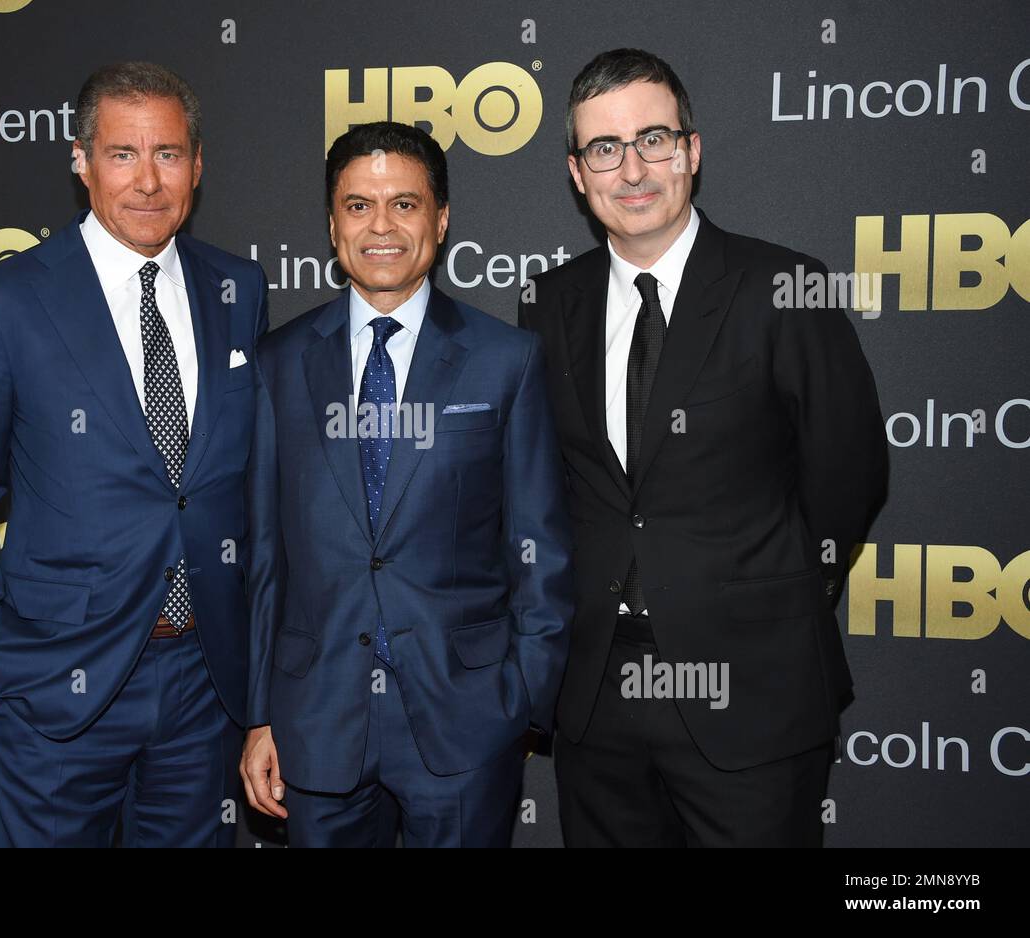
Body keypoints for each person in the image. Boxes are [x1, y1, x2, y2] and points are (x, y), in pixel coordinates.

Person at [519, 48, 888, 847]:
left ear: (691, 149)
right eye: (604, 149)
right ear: (578, 174)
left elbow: (848, 475)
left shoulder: (786, 288)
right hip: (598, 698)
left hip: (752, 693)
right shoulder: (547, 305)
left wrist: (762, 601)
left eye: (654, 139)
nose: (633, 169)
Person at [0, 62, 268, 847]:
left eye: (169, 155)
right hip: (55, 690)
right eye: (122, 154)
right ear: (80, 161)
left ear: (199, 165)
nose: (148, 181)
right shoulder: (3, 301)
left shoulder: (237, 288)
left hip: (201, 684)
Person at [240, 121, 572, 847]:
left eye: (405, 204)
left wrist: (520, 704)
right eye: (358, 206)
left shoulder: (505, 360)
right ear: (331, 225)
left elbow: (540, 551)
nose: (381, 226)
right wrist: (262, 713)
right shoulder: (280, 363)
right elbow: (266, 559)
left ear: (442, 218)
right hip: (317, 717)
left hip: (465, 721)